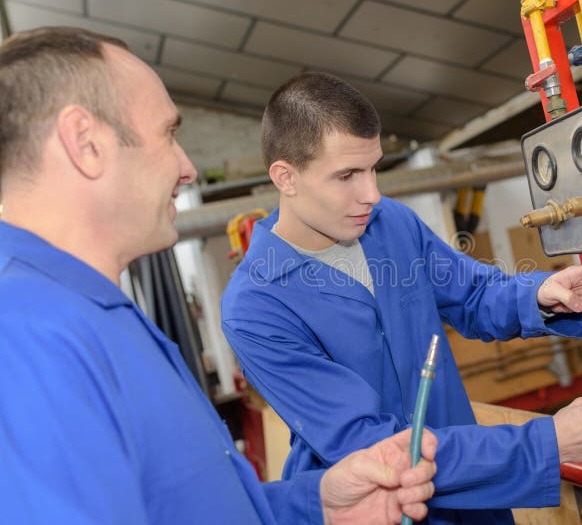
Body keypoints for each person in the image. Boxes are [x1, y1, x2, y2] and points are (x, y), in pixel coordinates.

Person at [0, 27, 438, 525]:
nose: (187, 169)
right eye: (168, 133)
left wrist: (311, 505)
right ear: (86, 143)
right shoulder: (24, 337)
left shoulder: (83, 315)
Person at [221, 72, 582, 524]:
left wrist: (539, 294)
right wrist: (550, 442)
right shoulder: (256, 307)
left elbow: (473, 293)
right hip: (379, 511)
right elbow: (371, 446)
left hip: (475, 498)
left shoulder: (391, 223)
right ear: (286, 177)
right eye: (347, 175)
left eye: (374, 168)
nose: (371, 194)